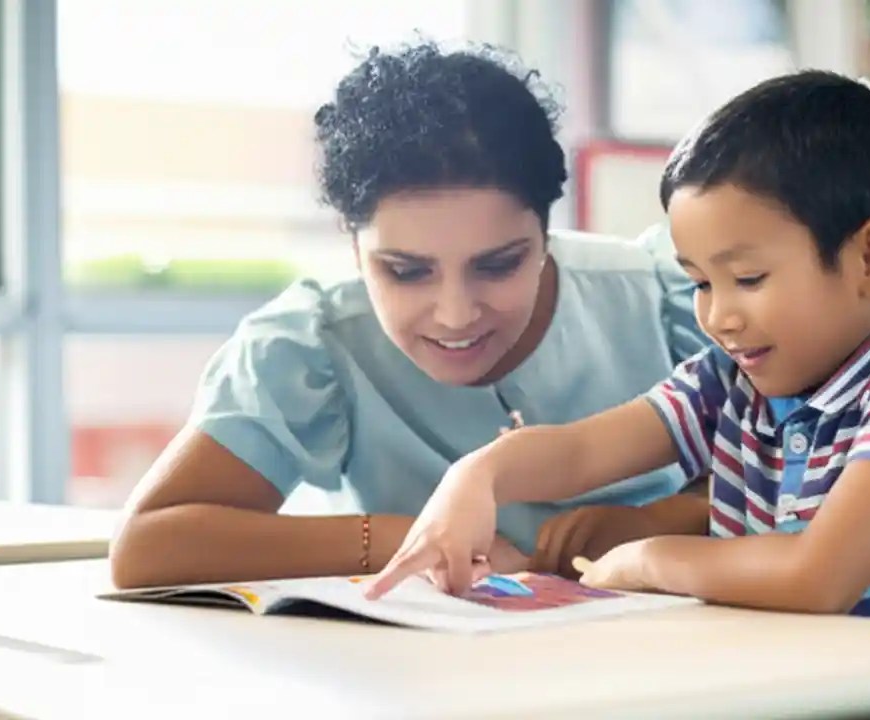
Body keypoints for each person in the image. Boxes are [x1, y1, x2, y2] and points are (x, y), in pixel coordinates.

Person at [368, 70, 870, 632]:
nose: (717, 315)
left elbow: (821, 576)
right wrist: (477, 477)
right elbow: (584, 451)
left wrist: (651, 558)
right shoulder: (731, 381)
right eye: (701, 283)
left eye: (748, 279)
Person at [108, 41, 710, 589]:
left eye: (498, 265)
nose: (455, 315)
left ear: (547, 229)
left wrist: (664, 518)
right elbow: (148, 545)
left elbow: (796, 481)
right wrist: (408, 536)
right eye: (406, 271)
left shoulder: (676, 297)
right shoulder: (312, 347)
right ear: (352, 244)